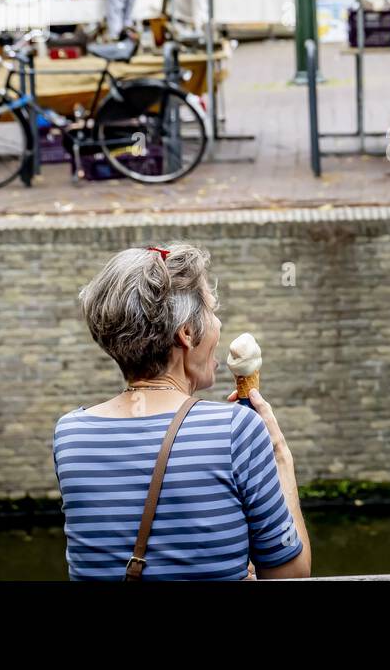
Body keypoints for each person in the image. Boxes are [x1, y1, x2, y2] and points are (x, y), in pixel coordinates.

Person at [54, 243, 311, 580]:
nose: (217, 322)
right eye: (211, 310)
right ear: (187, 334)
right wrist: (281, 458)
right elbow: (291, 576)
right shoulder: (237, 430)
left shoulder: (71, 434)